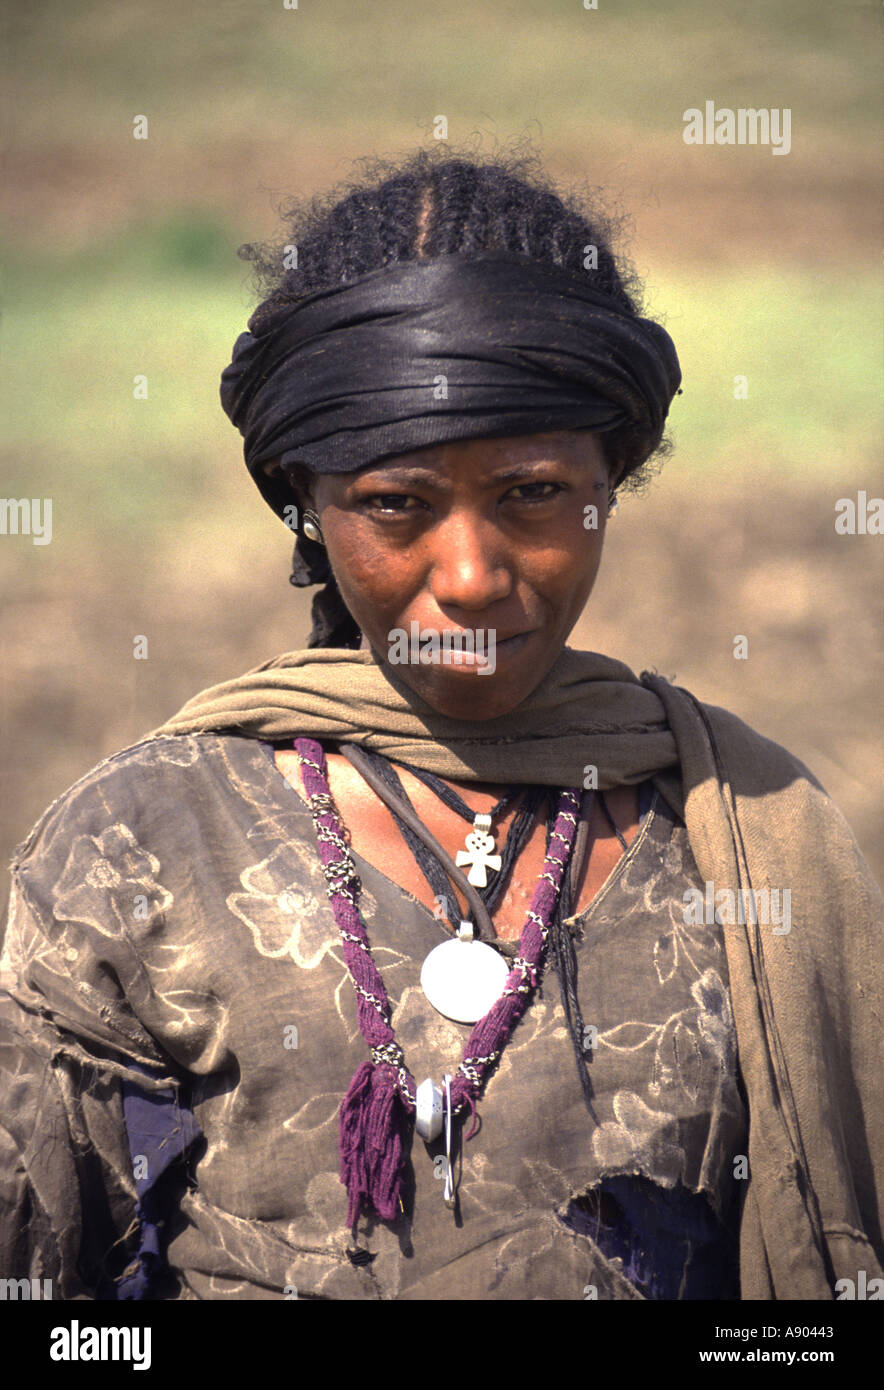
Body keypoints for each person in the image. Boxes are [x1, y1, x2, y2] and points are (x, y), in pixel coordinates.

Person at [1, 146, 881, 1302]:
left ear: (611, 478)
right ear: (304, 509)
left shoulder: (742, 825)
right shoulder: (139, 843)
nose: (468, 574)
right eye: (394, 504)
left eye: (530, 493)